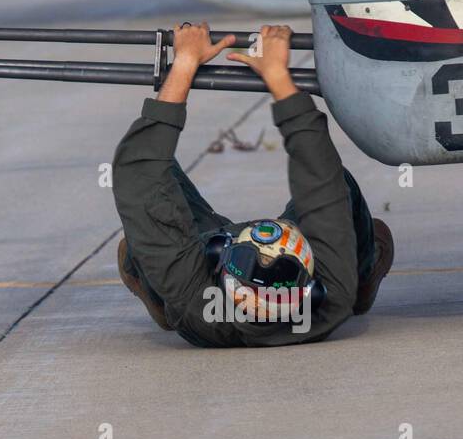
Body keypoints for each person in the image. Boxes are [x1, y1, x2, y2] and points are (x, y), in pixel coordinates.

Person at [112, 22, 393, 347]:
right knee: (341, 188)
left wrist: (185, 63)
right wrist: (277, 76)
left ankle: (160, 300)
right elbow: (322, 180)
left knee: (143, 229)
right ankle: (365, 278)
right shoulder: (334, 292)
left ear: (222, 261)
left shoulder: (195, 295)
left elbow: (139, 169)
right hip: (307, 280)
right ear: (311, 281)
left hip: (192, 297)